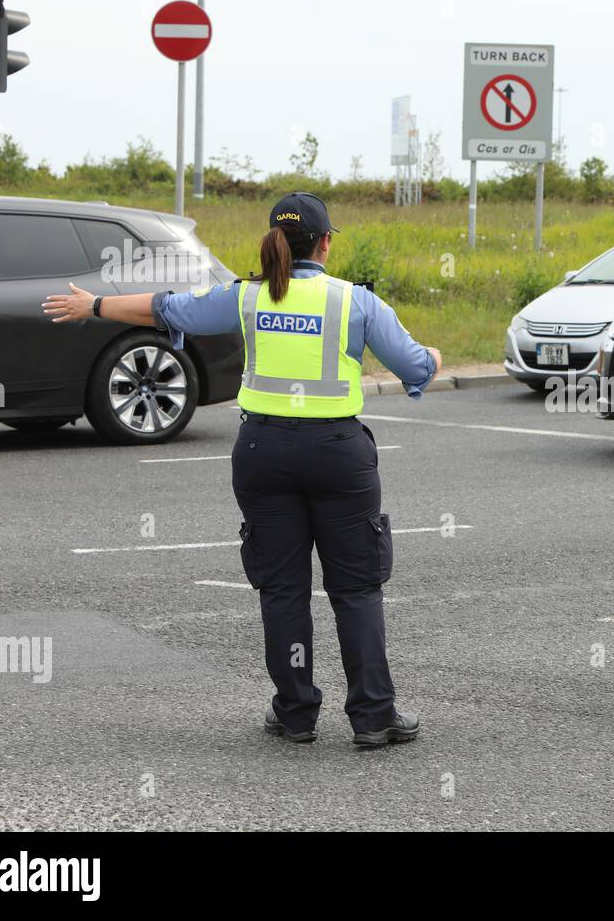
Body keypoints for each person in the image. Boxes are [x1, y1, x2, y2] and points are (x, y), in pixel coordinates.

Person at [43, 192, 440, 747]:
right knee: (356, 590)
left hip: (262, 454)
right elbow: (412, 365)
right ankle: (374, 717)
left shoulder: (247, 296)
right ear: (325, 243)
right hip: (338, 456)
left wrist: (96, 306)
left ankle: (296, 713)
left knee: (283, 590)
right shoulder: (354, 302)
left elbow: (167, 307)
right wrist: (434, 360)